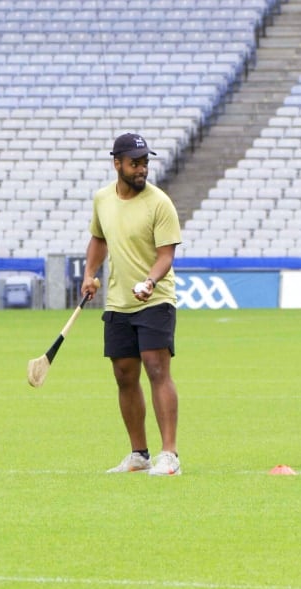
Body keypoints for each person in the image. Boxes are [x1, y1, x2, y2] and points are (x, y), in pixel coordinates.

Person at [81, 132, 182, 476]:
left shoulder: (159, 203)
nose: (142, 169)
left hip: (155, 299)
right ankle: (139, 454)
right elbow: (98, 239)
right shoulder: (102, 199)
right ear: (117, 164)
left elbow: (166, 254)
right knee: (124, 376)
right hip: (119, 301)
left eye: (145, 163)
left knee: (157, 369)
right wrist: (89, 273)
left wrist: (150, 282)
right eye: (135, 163)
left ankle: (169, 455)